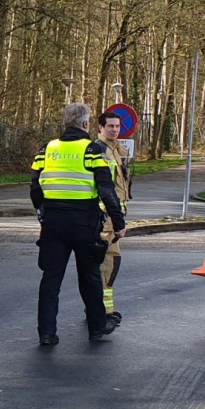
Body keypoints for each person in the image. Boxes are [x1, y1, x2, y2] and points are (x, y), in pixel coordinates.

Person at [31, 103, 128, 345]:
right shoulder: (92, 150)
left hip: (53, 223)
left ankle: (46, 333)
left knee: (50, 279)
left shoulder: (47, 149)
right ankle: (96, 328)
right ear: (86, 124)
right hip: (84, 223)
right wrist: (119, 222)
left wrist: (42, 211)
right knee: (90, 276)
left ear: (66, 121)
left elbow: (35, 187)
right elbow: (107, 190)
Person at [94, 109, 134, 326]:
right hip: (104, 218)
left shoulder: (117, 150)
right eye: (110, 126)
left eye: (117, 126)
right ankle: (103, 310)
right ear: (100, 127)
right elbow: (105, 188)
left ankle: (103, 308)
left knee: (108, 262)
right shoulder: (99, 150)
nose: (114, 130)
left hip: (113, 216)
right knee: (107, 262)